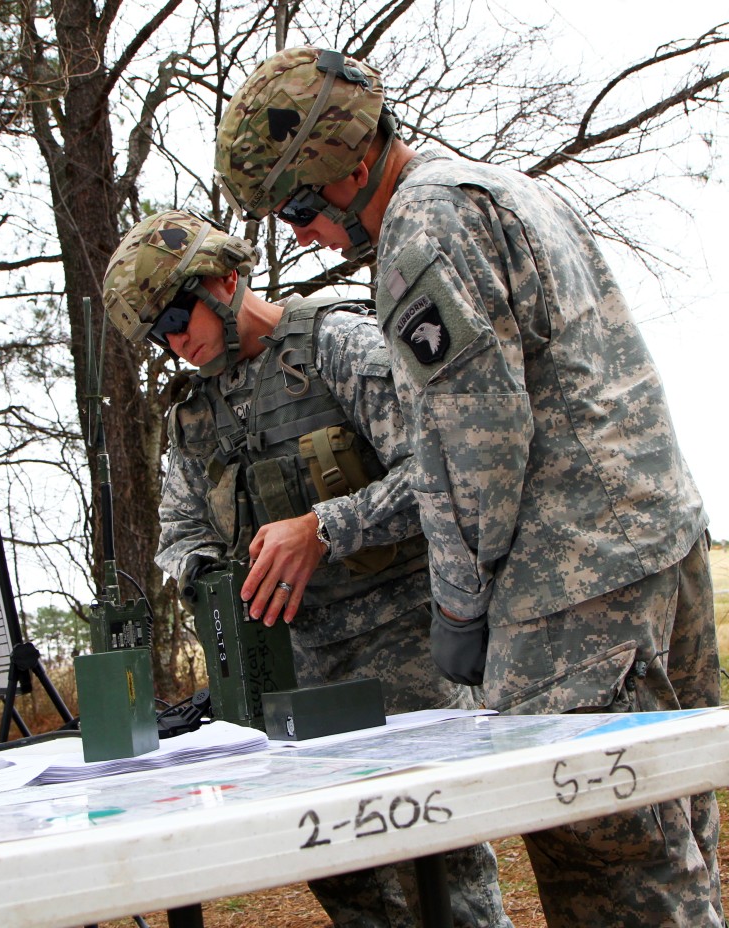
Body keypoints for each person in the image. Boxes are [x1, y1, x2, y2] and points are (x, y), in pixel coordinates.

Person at [214, 46, 722, 926]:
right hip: (659, 546)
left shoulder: (421, 232)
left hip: (570, 596)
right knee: (677, 853)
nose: (299, 234)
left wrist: (458, 608)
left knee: (613, 877)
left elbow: (476, 444)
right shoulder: (503, 187)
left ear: (354, 162)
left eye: (300, 206)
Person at [103, 208, 512, 927]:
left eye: (175, 316)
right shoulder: (194, 417)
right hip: (295, 673)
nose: (175, 344)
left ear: (225, 280)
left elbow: (439, 471)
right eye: (156, 336)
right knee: (343, 879)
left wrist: (326, 527)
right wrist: (212, 579)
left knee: (445, 883)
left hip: (403, 651)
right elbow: (179, 532)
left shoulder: (336, 347)